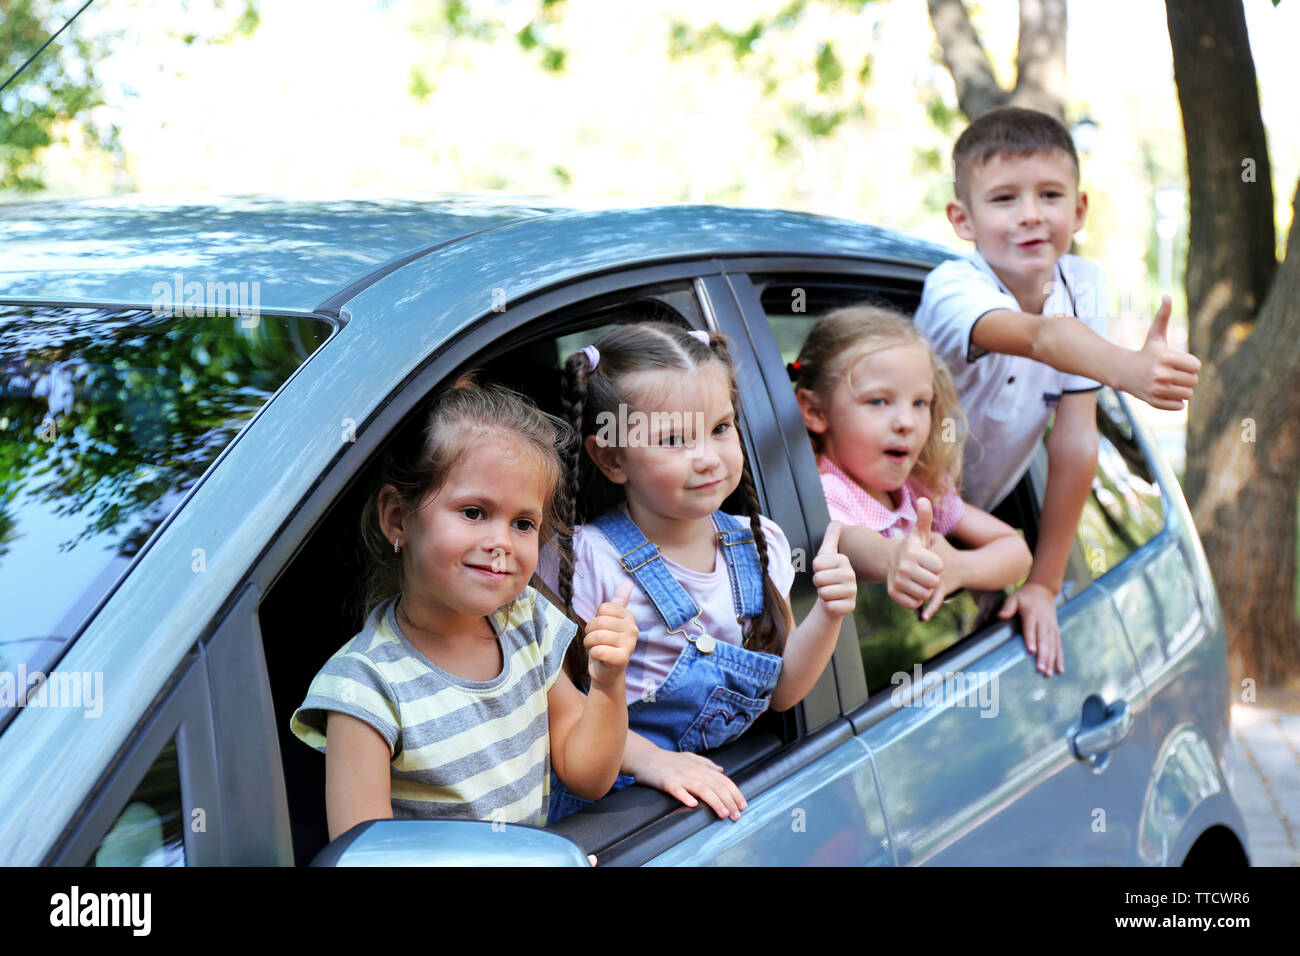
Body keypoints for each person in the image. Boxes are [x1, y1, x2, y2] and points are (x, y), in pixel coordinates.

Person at [912, 105, 1200, 676]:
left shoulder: (1082, 282)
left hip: (979, 519)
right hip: (902, 509)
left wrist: (1044, 584)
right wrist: (1127, 368)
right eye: (1003, 199)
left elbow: (1073, 443)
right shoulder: (953, 289)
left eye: (1049, 195)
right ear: (961, 219)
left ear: (1080, 208)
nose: (1030, 216)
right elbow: (1042, 337)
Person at [290, 377, 638, 840]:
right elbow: (367, 856)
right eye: (474, 512)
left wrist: (609, 683)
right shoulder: (365, 686)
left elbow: (587, 775)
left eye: (522, 523)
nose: (500, 543)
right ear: (397, 518)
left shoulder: (526, 621)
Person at [538, 322, 856, 823]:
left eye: (720, 428)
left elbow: (783, 691)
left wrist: (830, 614)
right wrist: (655, 761)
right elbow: (561, 713)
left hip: (709, 805)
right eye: (673, 439)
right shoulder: (586, 561)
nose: (707, 458)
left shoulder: (759, 543)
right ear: (611, 456)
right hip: (612, 813)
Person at [791, 304, 1032, 619]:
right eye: (879, 401)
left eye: (920, 402)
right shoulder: (825, 491)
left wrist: (959, 568)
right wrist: (893, 558)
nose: (907, 422)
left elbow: (1017, 552)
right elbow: (848, 541)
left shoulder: (920, 488)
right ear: (815, 412)